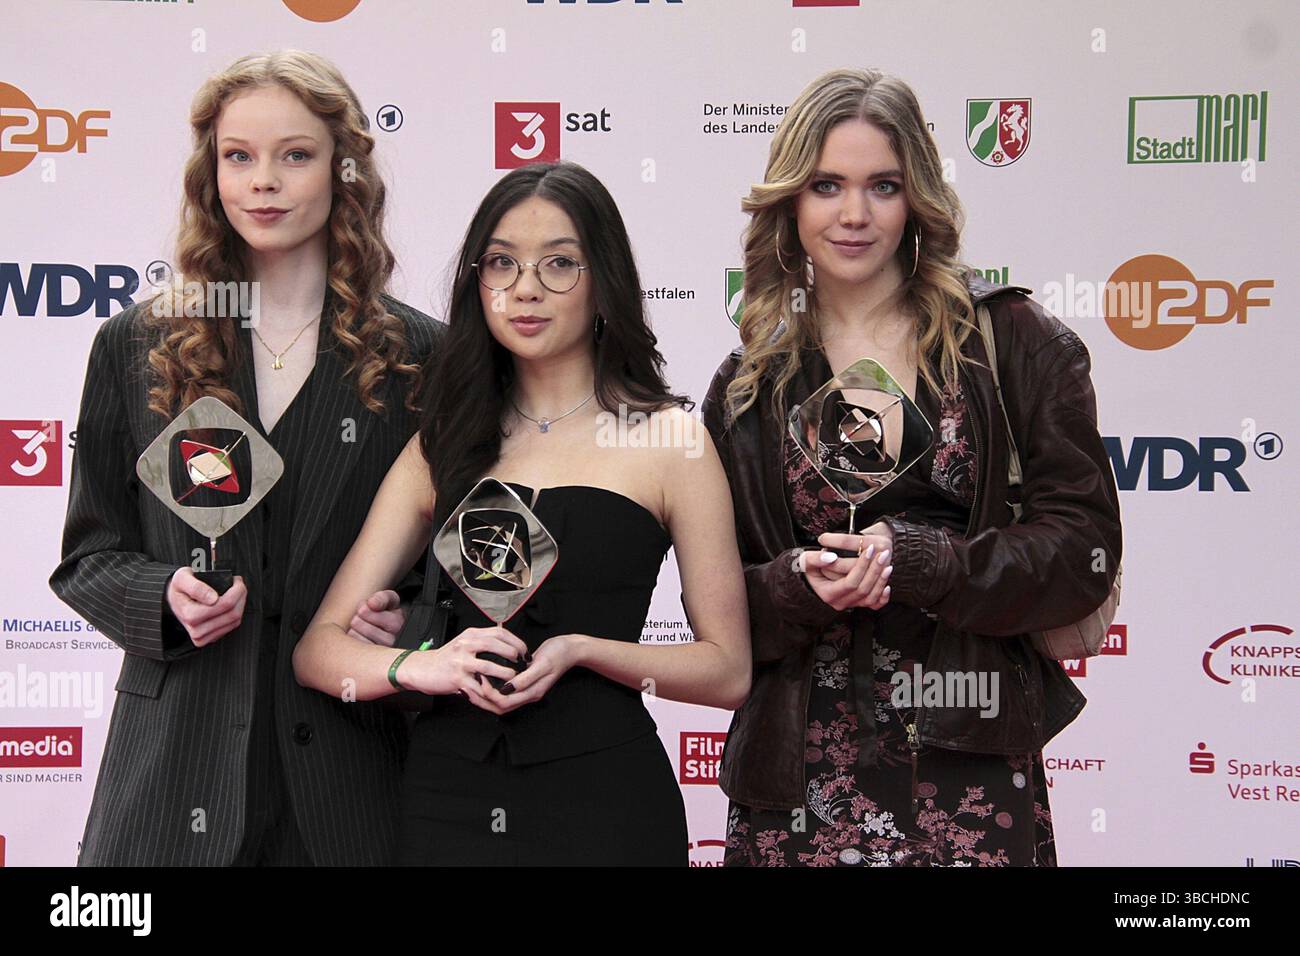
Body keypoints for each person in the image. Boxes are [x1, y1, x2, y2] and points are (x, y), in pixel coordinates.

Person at [702, 68, 1122, 866]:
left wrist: (928, 561)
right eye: (827, 185)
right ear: (792, 200)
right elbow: (719, 610)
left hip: (968, 750)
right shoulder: (751, 382)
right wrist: (799, 582)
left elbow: (1083, 554)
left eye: (882, 186)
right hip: (799, 769)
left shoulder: (1010, 341)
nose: (853, 214)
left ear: (917, 198)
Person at [293, 160, 750, 866]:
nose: (526, 289)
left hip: (606, 801)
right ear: (478, 283)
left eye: (560, 263)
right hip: (447, 800)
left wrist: (583, 650)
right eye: (501, 263)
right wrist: (420, 666)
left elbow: (727, 672)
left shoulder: (671, 439)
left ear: (604, 282)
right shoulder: (440, 443)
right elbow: (318, 651)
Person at [49, 50, 440, 866]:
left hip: (351, 777)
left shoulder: (422, 357)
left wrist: (409, 621)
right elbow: (88, 556)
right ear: (211, 173)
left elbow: (454, 566)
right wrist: (163, 596)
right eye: (239, 156)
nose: (263, 180)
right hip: (172, 772)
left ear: (345, 170)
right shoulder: (136, 344)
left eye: (295, 154)